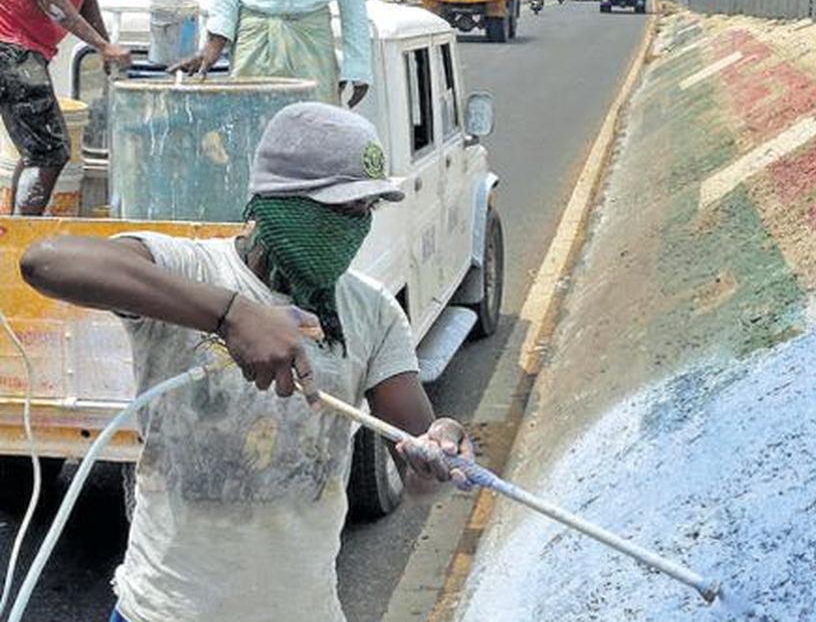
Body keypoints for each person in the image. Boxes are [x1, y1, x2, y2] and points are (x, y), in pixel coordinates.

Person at [20, 102, 475, 622]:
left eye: (365, 209)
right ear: (277, 199)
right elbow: (46, 262)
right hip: (163, 612)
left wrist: (442, 449)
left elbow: (420, 474)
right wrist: (231, 315)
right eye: (338, 208)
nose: (355, 226)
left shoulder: (371, 313)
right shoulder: (192, 269)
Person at [0, 0, 130, 216]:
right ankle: (17, 238)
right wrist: (101, 45)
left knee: (42, 148)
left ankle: (16, 231)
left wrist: (104, 45)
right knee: (48, 149)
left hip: (24, 46)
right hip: (9, 41)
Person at [171, 0, 372, 108]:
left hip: (312, 37)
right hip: (254, 32)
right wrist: (214, 44)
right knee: (248, 126)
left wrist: (358, 66)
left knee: (315, 132)